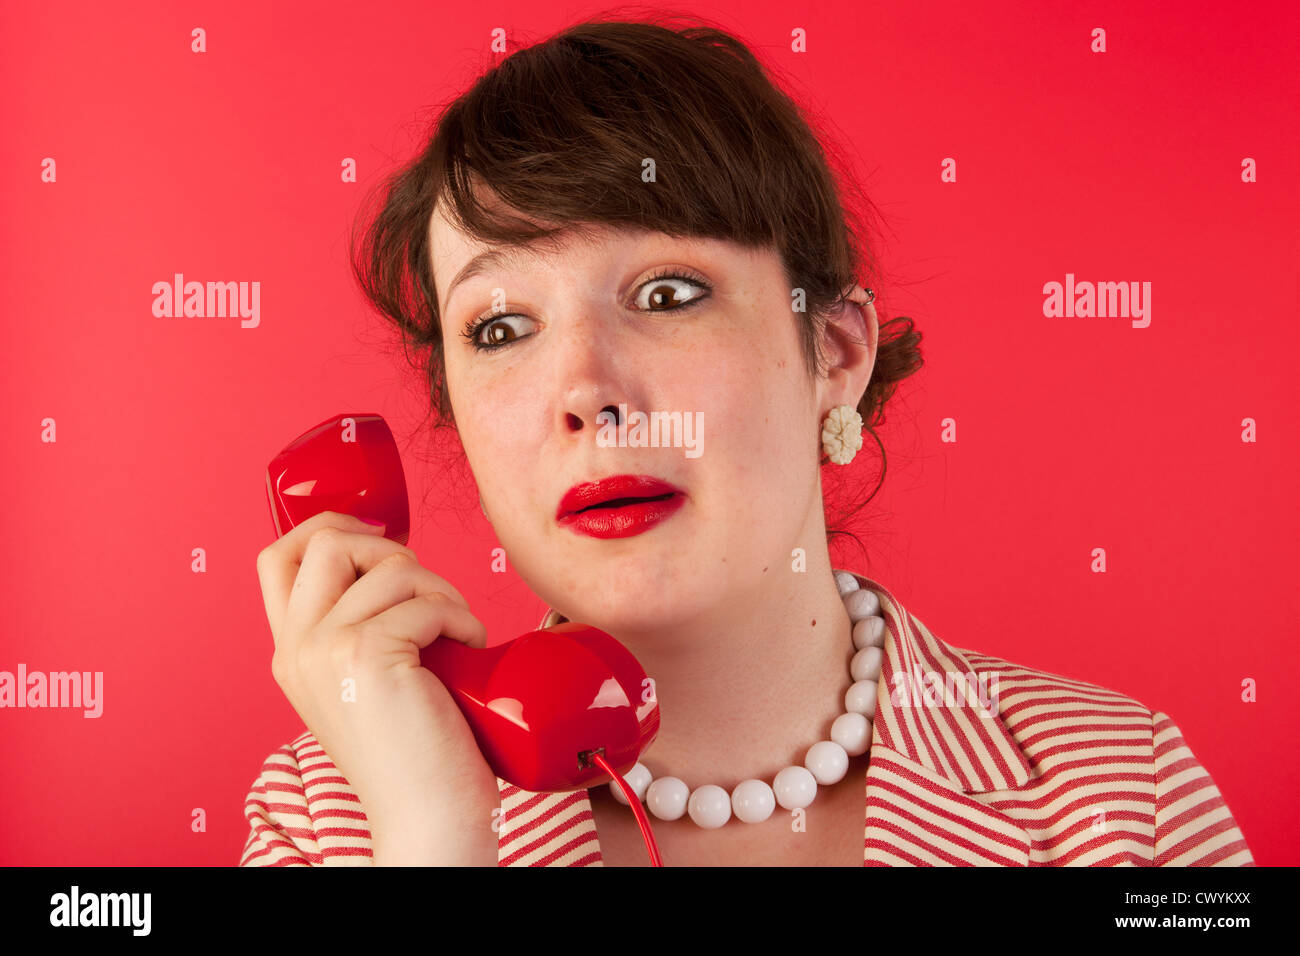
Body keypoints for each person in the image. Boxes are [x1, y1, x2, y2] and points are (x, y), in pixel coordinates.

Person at [241, 15, 1252, 866]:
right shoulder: (330, 820)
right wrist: (431, 835)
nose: (586, 391)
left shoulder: (1123, 796)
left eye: (669, 294)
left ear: (836, 352)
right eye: (501, 328)